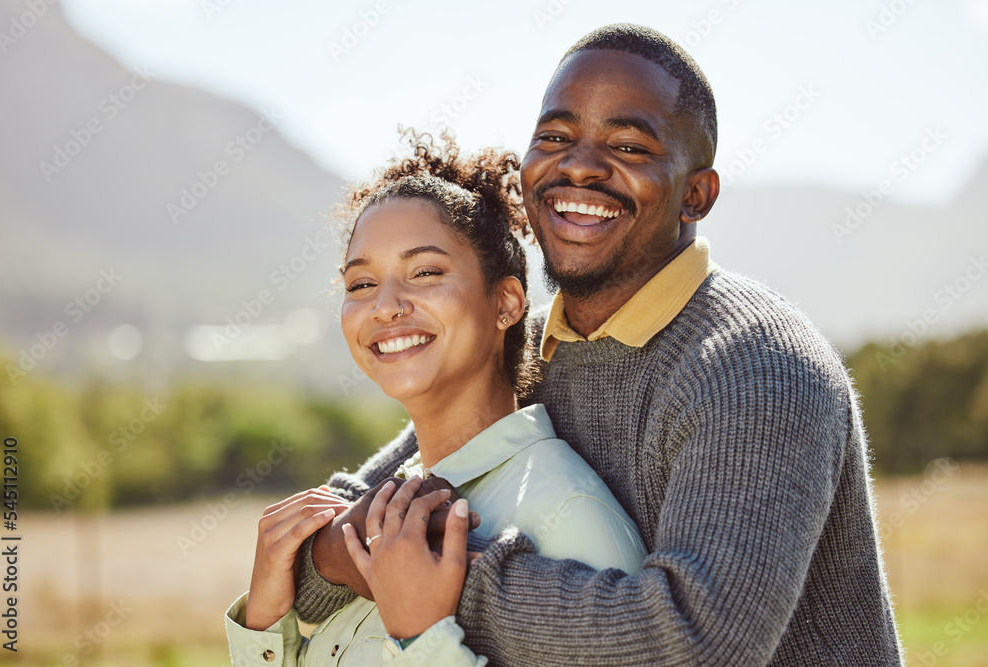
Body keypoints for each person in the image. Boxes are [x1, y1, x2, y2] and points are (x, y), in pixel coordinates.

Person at [293, 23, 904, 666]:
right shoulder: (533, 346)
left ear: (696, 194)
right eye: (554, 137)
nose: (579, 165)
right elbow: (345, 527)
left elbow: (694, 642)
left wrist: (435, 579)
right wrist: (348, 549)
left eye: (629, 145)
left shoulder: (758, 367)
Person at [225, 131, 648, 665]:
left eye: (424, 272)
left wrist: (422, 639)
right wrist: (264, 620)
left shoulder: (569, 515)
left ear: (507, 302)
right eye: (360, 284)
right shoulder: (383, 506)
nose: (385, 306)